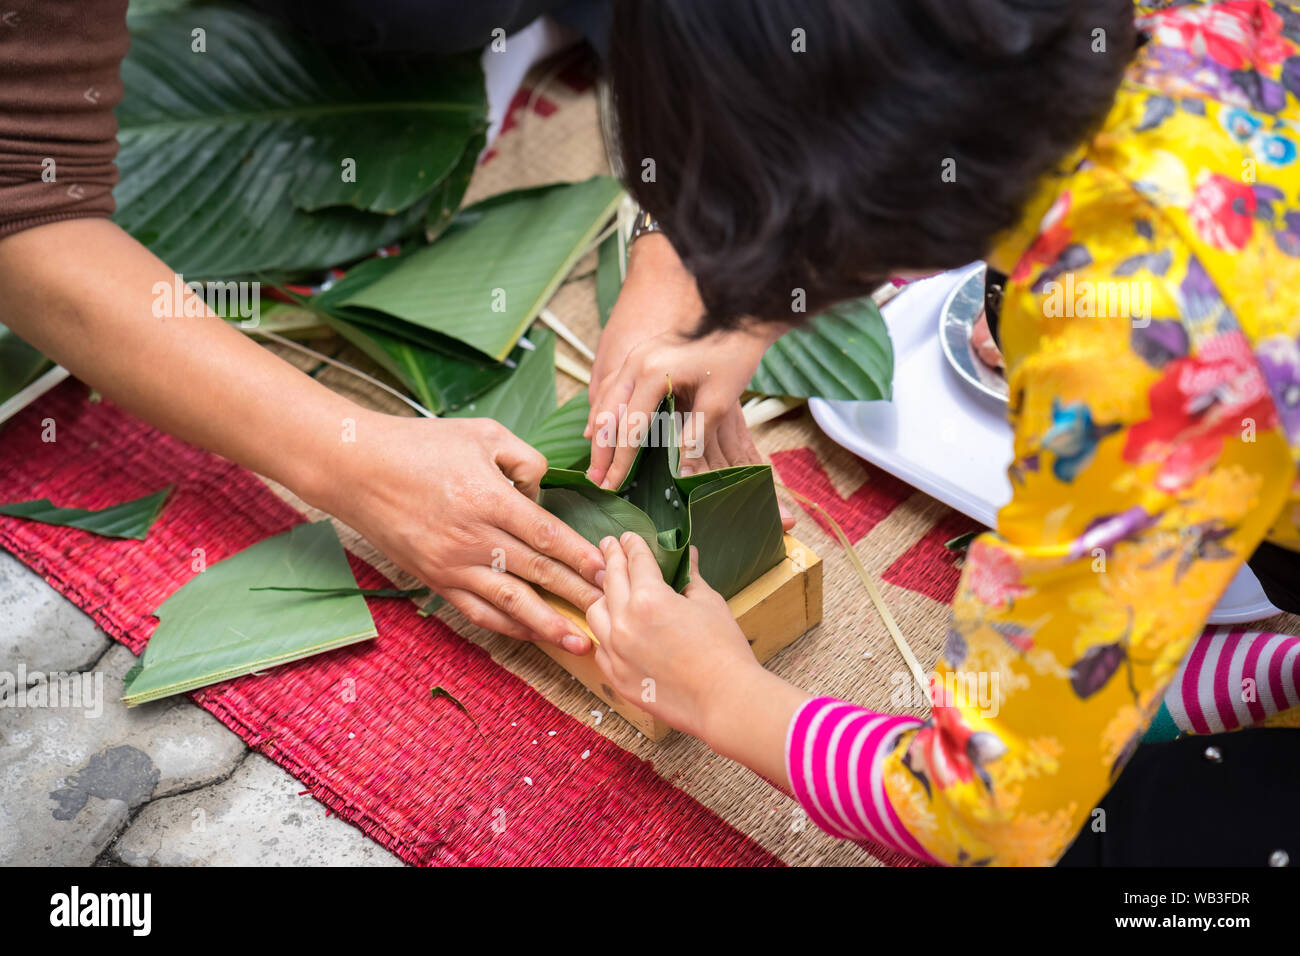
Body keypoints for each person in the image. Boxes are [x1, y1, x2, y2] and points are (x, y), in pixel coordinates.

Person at [585, 0, 1300, 865]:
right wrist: (773, 298)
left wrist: (717, 692)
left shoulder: (1138, 339)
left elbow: (986, 816)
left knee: (1111, 853)